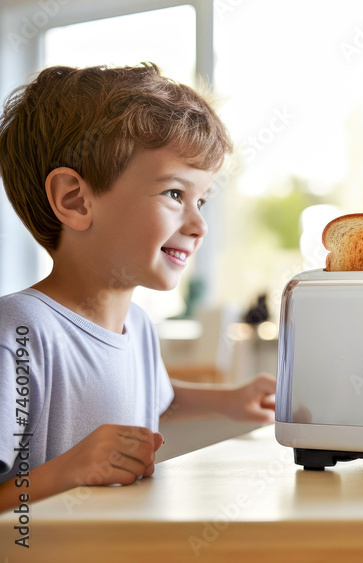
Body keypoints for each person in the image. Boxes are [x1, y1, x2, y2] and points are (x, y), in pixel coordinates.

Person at [0, 63, 276, 512]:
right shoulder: (19, 333)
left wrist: (231, 401)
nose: (199, 224)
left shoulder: (139, 326)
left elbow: (154, 397)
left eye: (201, 200)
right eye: (174, 193)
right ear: (75, 199)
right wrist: (68, 470)